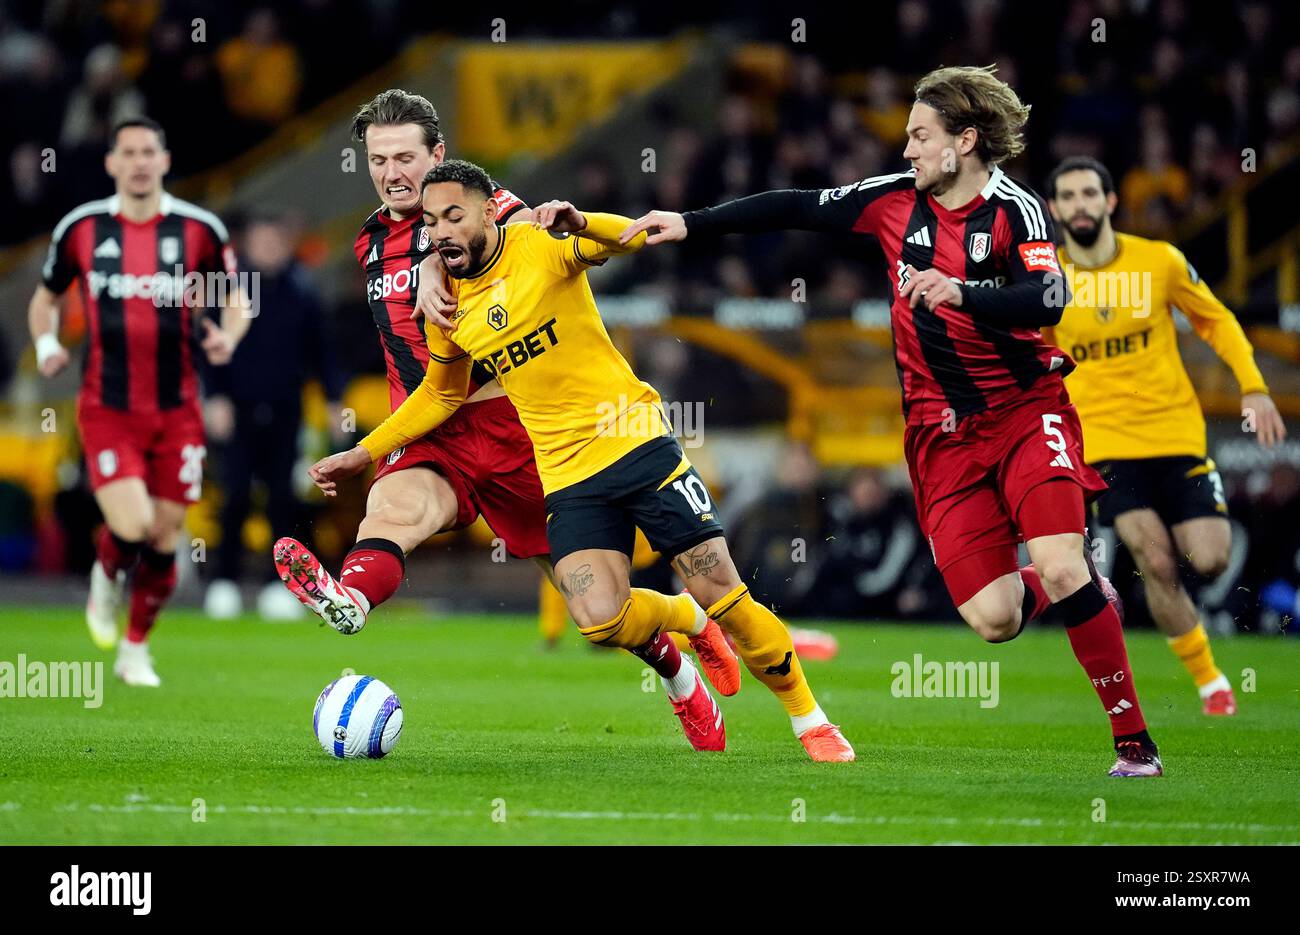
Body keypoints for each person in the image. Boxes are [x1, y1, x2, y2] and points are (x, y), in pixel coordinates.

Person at [622, 65, 1162, 777]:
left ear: (963, 141)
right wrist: (690, 223)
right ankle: (1074, 582)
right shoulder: (891, 200)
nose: (906, 150)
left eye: (919, 135)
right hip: (940, 438)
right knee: (994, 619)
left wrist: (963, 293)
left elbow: (1049, 297)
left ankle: (1133, 742)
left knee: (1062, 564)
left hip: (1026, 413)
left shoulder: (1016, 211)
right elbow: (799, 205)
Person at [306, 159, 854, 761]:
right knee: (599, 620)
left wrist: (582, 221)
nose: (440, 231)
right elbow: (441, 393)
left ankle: (811, 719)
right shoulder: (448, 303)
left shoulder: (541, 244)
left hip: (636, 445)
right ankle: (689, 622)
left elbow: (631, 237)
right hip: (566, 476)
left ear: (491, 210)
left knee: (725, 592)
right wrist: (363, 453)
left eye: (454, 216)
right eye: (432, 222)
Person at [273, 91, 738, 750]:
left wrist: (435, 258)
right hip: (431, 425)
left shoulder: (491, 207)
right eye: (378, 159)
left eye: (405, 156)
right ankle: (350, 601)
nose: (391, 171)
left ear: (437, 155)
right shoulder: (369, 239)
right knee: (392, 511)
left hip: (516, 431)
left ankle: (680, 656)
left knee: (595, 609)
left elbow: (520, 238)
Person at [1043, 155, 1286, 715]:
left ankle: (1203, 631)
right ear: (1054, 209)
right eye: (1068, 197)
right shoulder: (1047, 277)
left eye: (1089, 194)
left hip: (1175, 434)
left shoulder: (1160, 261)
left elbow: (1216, 319)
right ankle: (1209, 681)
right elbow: (1033, 353)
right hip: (1102, 444)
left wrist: (1252, 386)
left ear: (1109, 202)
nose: (1079, 205)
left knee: (1209, 559)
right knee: (1154, 560)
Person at [28, 116, 249, 686]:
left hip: (178, 411)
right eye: (128, 152)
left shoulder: (198, 228)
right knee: (132, 526)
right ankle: (104, 581)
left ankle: (135, 648)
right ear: (112, 163)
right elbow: (44, 298)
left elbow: (237, 298)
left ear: (164, 159)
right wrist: (48, 341)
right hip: (108, 408)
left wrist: (228, 333)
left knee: (165, 537)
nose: (139, 161)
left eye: (149, 150)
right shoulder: (82, 227)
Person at [204, 210, 347, 620]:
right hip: (239, 408)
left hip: (287, 408)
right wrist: (214, 397)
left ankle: (277, 584)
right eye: (263, 242)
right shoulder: (228, 290)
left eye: (277, 242)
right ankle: (224, 580)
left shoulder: (302, 290)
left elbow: (322, 353)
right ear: (248, 245)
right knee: (235, 496)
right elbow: (209, 348)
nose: (271, 249)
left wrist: (336, 401)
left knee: (283, 500)